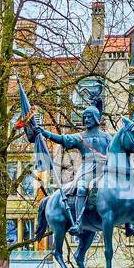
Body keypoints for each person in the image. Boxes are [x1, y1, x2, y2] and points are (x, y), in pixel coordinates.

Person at [34, 99, 111, 237]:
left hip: (104, 170)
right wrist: (45, 133)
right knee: (82, 187)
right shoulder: (80, 137)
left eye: (89, 117)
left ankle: (128, 225)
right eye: (85, 117)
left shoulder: (106, 137)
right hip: (87, 170)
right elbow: (62, 139)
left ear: (96, 118)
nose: (86, 119)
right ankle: (78, 222)